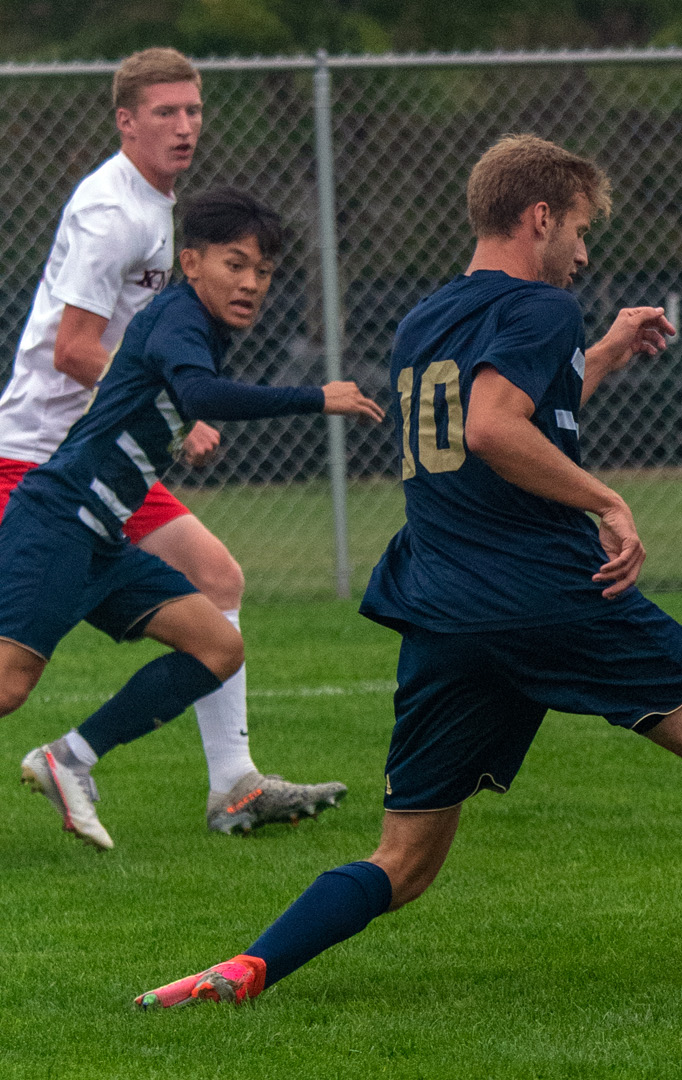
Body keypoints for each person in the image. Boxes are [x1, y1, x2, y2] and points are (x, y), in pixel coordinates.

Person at [135, 134, 682, 1009]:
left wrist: (605, 354)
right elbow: (495, 430)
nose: (583, 254)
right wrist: (607, 501)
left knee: (404, 860)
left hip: (442, 609)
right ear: (539, 218)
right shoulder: (542, 308)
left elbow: (509, 413)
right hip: (546, 592)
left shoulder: (424, 318)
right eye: (578, 231)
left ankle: (243, 969)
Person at [1, 47, 349, 837]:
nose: (184, 126)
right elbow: (73, 347)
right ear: (126, 121)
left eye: (193, 110)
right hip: (42, 456)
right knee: (12, 675)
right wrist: (178, 403)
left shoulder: (161, 208)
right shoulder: (111, 211)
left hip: (104, 465)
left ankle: (231, 784)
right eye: (165, 112)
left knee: (217, 585)